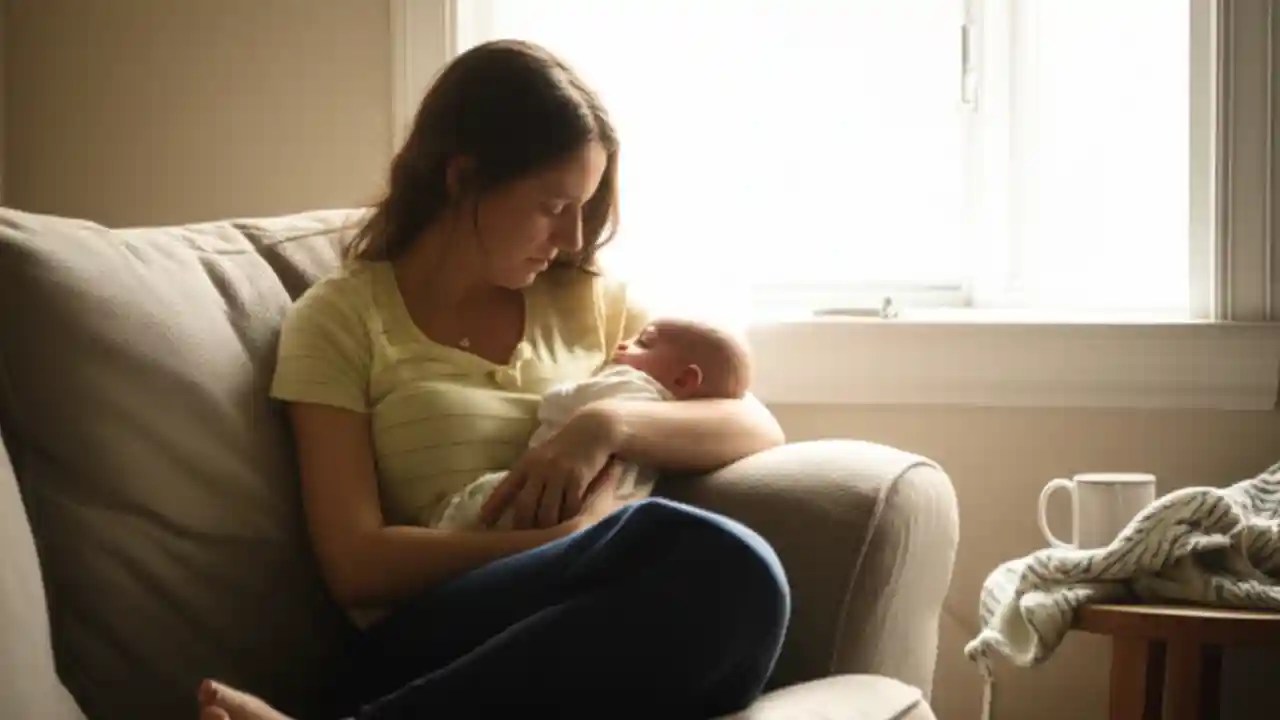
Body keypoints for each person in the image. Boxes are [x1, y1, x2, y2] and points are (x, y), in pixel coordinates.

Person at [197, 38, 789, 720]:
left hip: (561, 629)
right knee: (720, 563)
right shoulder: (340, 320)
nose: (570, 238)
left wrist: (603, 426)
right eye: (552, 206)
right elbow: (355, 563)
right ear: (464, 177)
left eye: (583, 209)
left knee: (745, 602)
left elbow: (754, 425)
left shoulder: (591, 304)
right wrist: (559, 546)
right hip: (429, 636)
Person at [433, 317, 753, 530]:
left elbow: (556, 402)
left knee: (482, 507)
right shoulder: (676, 427)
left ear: (684, 379)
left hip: (540, 494)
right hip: (608, 511)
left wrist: (601, 421)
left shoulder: (628, 382)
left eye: (644, 342)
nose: (623, 345)